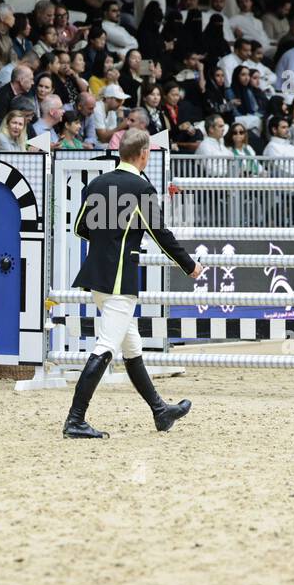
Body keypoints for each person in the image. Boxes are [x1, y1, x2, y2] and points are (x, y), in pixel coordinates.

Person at [63, 128, 205, 439]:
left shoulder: (97, 184)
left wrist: (108, 240)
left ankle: (160, 411)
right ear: (143, 155)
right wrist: (189, 265)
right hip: (119, 278)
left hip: (97, 274)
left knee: (132, 346)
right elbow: (159, 233)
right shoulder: (140, 188)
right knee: (106, 347)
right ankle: (75, 420)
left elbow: (80, 227)